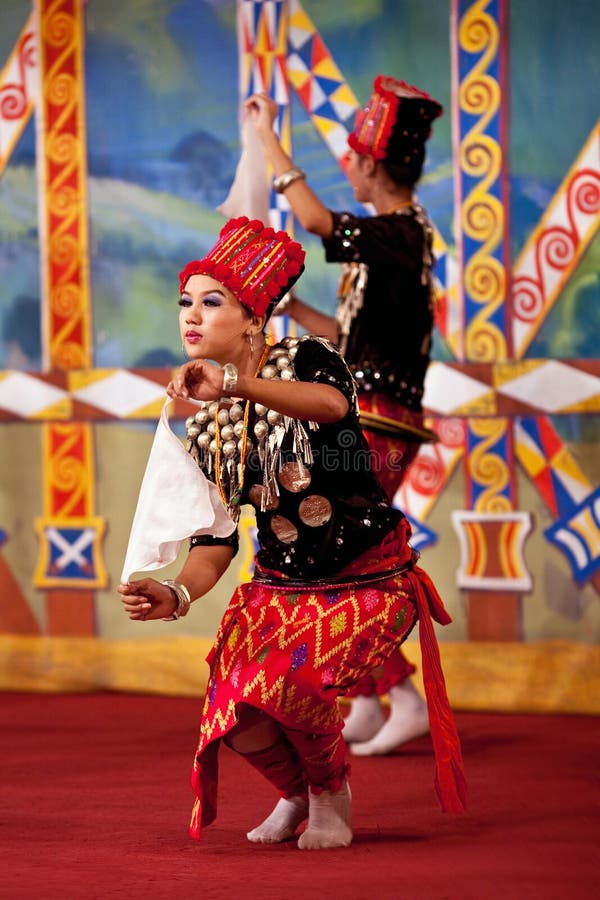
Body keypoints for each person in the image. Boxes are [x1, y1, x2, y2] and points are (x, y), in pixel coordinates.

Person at [119, 216, 465, 850]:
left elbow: (331, 408)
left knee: (292, 686)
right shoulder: (208, 426)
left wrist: (234, 383)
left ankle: (332, 795)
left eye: (211, 302)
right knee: (233, 704)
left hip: (366, 579)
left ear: (255, 317)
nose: (190, 316)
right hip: (279, 587)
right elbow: (216, 539)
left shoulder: (309, 360)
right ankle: (296, 793)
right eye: (185, 303)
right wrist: (177, 593)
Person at [245, 75, 443, 756]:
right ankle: (368, 696)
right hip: (369, 414)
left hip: (381, 420)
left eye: (354, 159)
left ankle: (403, 696)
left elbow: (316, 221)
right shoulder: (392, 243)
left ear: (373, 166)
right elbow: (348, 335)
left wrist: (267, 137)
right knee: (334, 548)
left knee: (337, 547)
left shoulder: (399, 233)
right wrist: (294, 311)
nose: (348, 169)